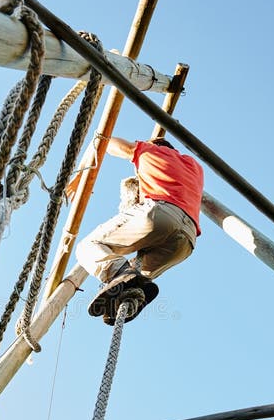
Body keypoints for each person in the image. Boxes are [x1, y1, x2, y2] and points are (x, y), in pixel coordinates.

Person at [68, 135, 204, 325]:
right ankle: (129, 296)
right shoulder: (195, 168)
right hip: (186, 240)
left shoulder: (151, 151)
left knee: (88, 246)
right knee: (136, 275)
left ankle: (119, 274)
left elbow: (106, 141)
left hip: (160, 215)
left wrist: (82, 172)